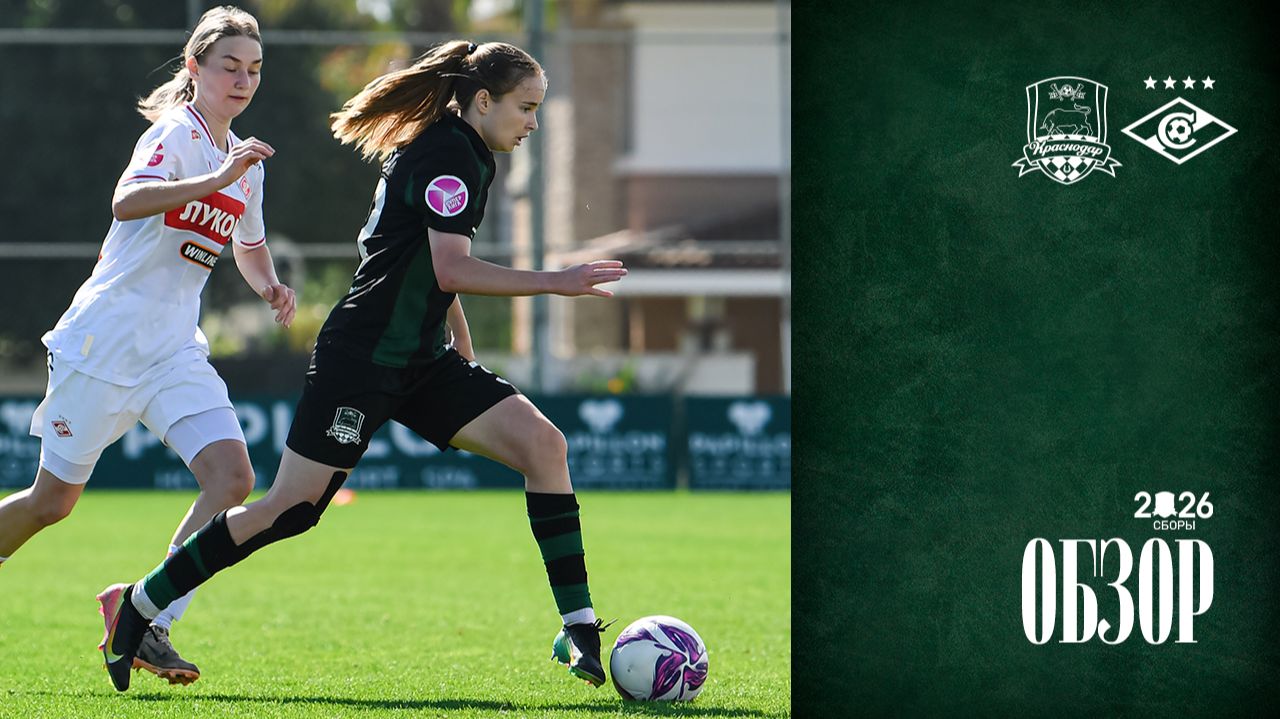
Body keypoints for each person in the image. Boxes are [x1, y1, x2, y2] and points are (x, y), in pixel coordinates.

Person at [97, 39, 626, 693]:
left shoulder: (462, 149)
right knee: (290, 509)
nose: (534, 123)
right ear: (483, 101)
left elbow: (418, 260)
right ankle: (140, 603)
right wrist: (556, 280)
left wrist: (458, 344)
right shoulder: (449, 152)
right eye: (527, 107)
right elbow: (450, 267)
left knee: (545, 446)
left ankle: (579, 628)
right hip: (362, 358)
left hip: (421, 358)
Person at [0, 5, 295, 686]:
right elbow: (128, 201)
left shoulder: (245, 162)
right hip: (103, 343)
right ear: (194, 67)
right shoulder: (174, 133)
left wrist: (270, 286)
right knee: (51, 503)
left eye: (254, 70)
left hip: (172, 350)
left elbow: (248, 244)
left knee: (232, 477)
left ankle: (145, 616)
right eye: (229, 66)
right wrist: (215, 179)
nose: (243, 80)